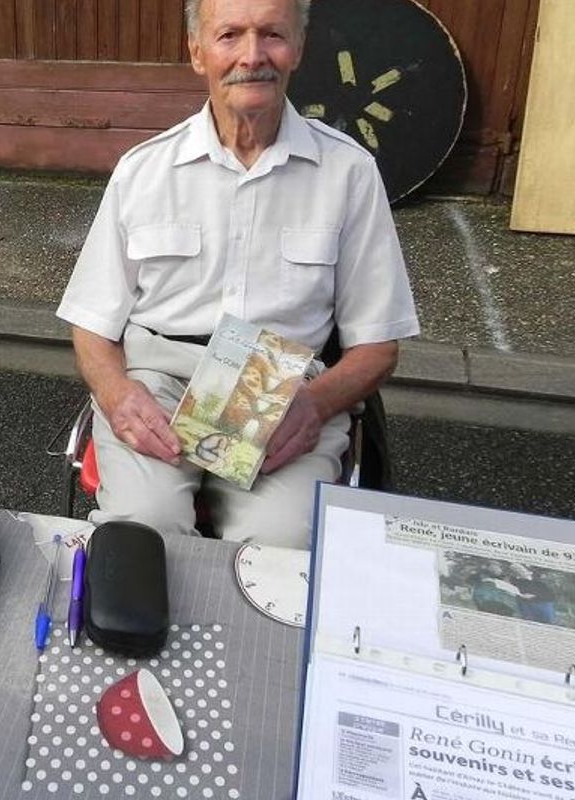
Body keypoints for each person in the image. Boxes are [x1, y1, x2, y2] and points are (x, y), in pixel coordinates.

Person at [55, 0, 419, 546]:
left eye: (271, 34)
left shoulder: (349, 173)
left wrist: (315, 405)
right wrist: (114, 393)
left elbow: (377, 346)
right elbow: (91, 320)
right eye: (229, 35)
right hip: (161, 378)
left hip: (279, 388)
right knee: (141, 531)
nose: (252, 56)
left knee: (281, 544)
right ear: (197, 52)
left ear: (298, 47)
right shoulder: (145, 170)